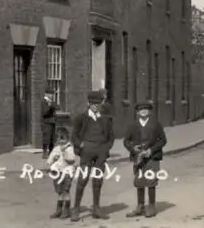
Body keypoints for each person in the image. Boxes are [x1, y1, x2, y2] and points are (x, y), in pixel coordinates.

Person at [70, 91, 114, 220]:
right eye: (93, 104)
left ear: (101, 104)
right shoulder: (82, 118)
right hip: (87, 150)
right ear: (88, 104)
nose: (95, 106)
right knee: (82, 179)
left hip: (101, 151)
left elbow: (111, 136)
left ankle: (96, 208)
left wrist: (106, 148)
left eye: (98, 104)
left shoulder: (105, 119)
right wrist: (81, 145)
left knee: (98, 180)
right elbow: (74, 135)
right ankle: (76, 209)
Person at [124, 101, 167, 218]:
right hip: (138, 158)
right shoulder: (132, 125)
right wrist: (133, 148)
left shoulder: (156, 125)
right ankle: (140, 206)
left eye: (146, 109)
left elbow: (163, 140)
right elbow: (126, 141)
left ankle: (152, 206)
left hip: (152, 157)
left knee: (151, 180)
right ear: (137, 112)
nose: (143, 111)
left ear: (149, 112)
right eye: (141, 110)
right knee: (139, 181)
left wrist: (151, 150)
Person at [46, 126, 76, 219]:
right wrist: (51, 161)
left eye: (63, 138)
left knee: (65, 191)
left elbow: (72, 159)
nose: (61, 141)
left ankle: (66, 210)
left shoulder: (69, 148)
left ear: (67, 138)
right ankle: (59, 210)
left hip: (67, 172)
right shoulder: (56, 148)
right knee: (59, 191)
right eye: (59, 138)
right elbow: (50, 159)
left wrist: (64, 153)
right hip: (57, 172)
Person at [41, 89, 59, 159]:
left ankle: (51, 152)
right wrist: (50, 107)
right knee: (46, 138)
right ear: (46, 94)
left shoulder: (51, 102)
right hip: (45, 122)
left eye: (52, 94)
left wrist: (52, 104)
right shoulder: (43, 102)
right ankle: (44, 152)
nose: (52, 95)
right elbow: (44, 113)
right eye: (50, 94)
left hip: (52, 122)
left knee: (52, 138)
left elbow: (58, 107)